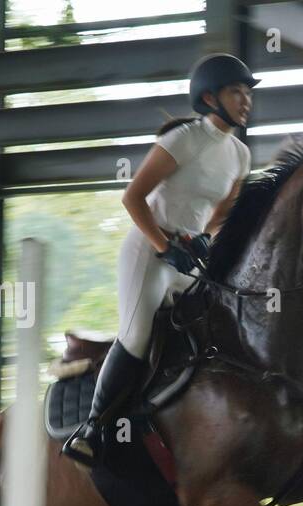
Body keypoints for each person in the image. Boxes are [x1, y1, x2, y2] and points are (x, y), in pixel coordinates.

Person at [62, 53, 258, 468]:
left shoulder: (240, 155)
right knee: (136, 336)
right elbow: (132, 198)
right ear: (210, 97)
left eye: (247, 93)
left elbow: (221, 213)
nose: (246, 101)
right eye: (236, 92)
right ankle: (93, 429)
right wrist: (164, 246)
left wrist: (204, 240)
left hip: (187, 261)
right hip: (148, 252)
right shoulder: (184, 139)